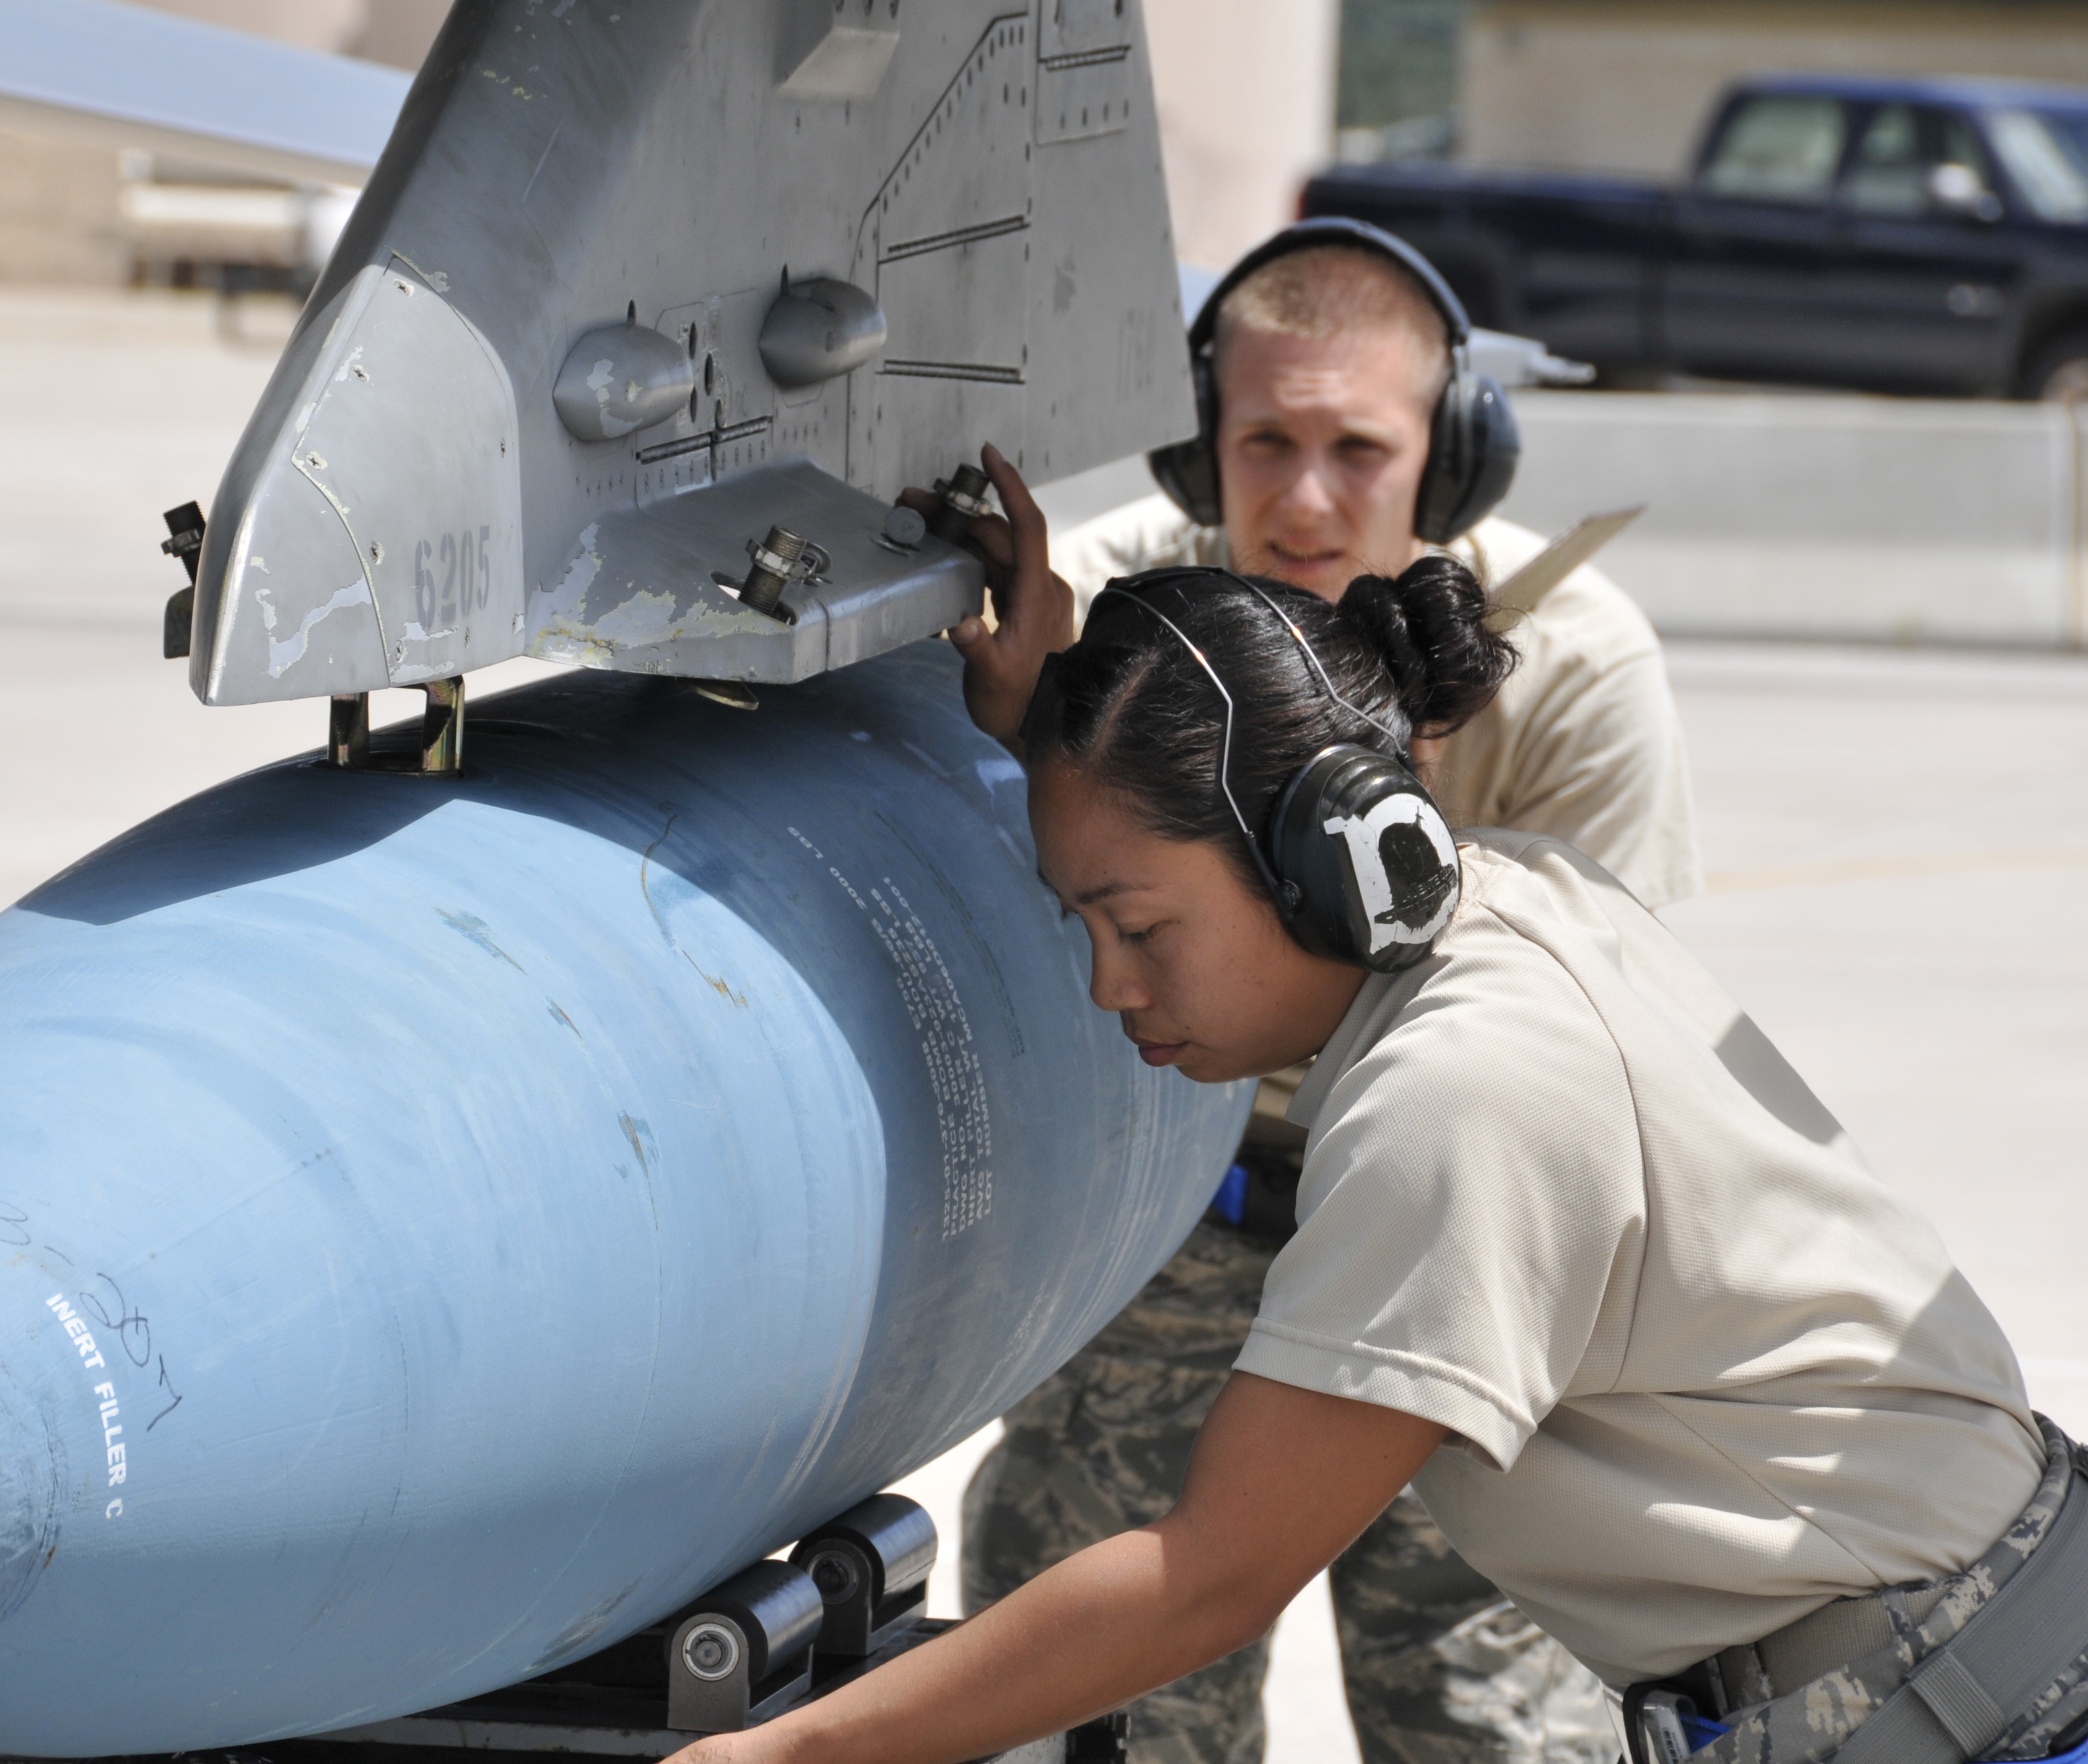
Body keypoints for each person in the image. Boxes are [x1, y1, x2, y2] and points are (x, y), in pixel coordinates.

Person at [670, 479, 2084, 1764]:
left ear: (1320, 869)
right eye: (1082, 923)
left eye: (1137, 925)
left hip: (1965, 1713)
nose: (1109, 984)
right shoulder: (1507, 899)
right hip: (1967, 1658)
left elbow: (1208, 1578)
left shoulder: (1460, 1097)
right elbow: (1191, 797)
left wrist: (781, 1756)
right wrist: (1056, 712)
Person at [964, 219, 1697, 1764]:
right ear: (1196, 445)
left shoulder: (1566, 659)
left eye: (1356, 450)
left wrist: (1379, 839)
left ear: (1449, 460)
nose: (1302, 501)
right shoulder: (1124, 621)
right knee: (1092, 1710)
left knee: (1492, 1723)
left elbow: (1600, 1037)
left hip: (1457, 1244)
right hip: (1184, 1221)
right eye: (1262, 442)